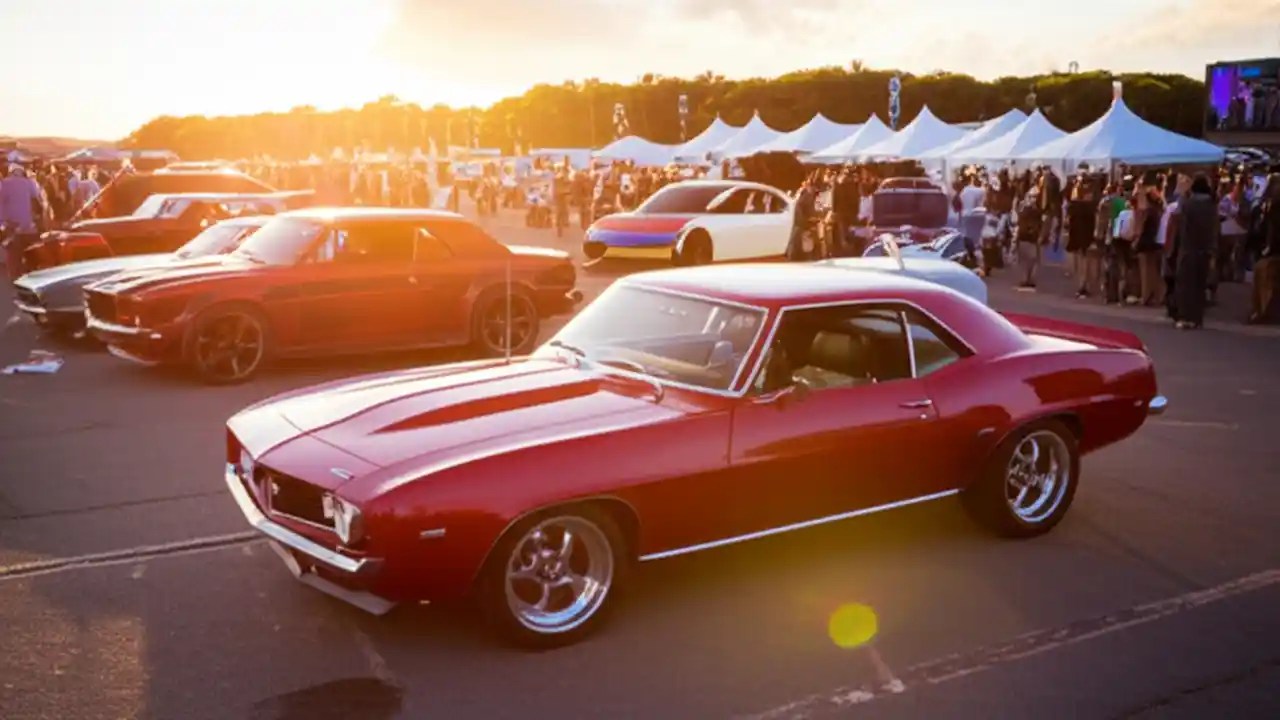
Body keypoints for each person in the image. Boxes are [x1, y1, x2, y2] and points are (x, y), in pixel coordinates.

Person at [1174, 175, 1218, 329]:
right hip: (1205, 249)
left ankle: (1185, 316)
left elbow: (1183, 228)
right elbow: (1214, 229)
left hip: (1189, 248)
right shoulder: (1211, 205)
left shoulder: (1188, 204)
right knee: (1200, 284)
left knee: (1186, 284)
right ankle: (1197, 317)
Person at [1, 164, 48, 280]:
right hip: (29, 225)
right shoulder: (30, 183)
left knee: (13, 257)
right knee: (31, 254)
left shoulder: (5, 184)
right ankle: (31, 278)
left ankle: (16, 280)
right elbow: (37, 199)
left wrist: (2, 222)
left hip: (12, 225)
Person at [1248, 174, 1280, 324]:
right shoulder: (1267, 205)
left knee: (1264, 278)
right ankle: (1262, 310)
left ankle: (1262, 311)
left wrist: (1268, 247)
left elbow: (1272, 228)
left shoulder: (1273, 207)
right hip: (1269, 247)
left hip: (1272, 249)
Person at [1067, 180, 1099, 298]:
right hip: (1086, 236)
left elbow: (1070, 223)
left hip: (1078, 237)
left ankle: (1082, 285)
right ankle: (1085, 285)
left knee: (1081, 261)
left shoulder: (1074, 207)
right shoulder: (1091, 207)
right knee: (1087, 261)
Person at [1015, 189, 1043, 290]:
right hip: (1024, 235)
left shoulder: (1037, 210)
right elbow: (1019, 218)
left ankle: (1030, 279)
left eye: (1034, 197)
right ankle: (1025, 278)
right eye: (1031, 197)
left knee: (1032, 259)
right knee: (1025, 258)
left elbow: (1040, 223)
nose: (1033, 199)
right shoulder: (1024, 208)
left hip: (1032, 236)